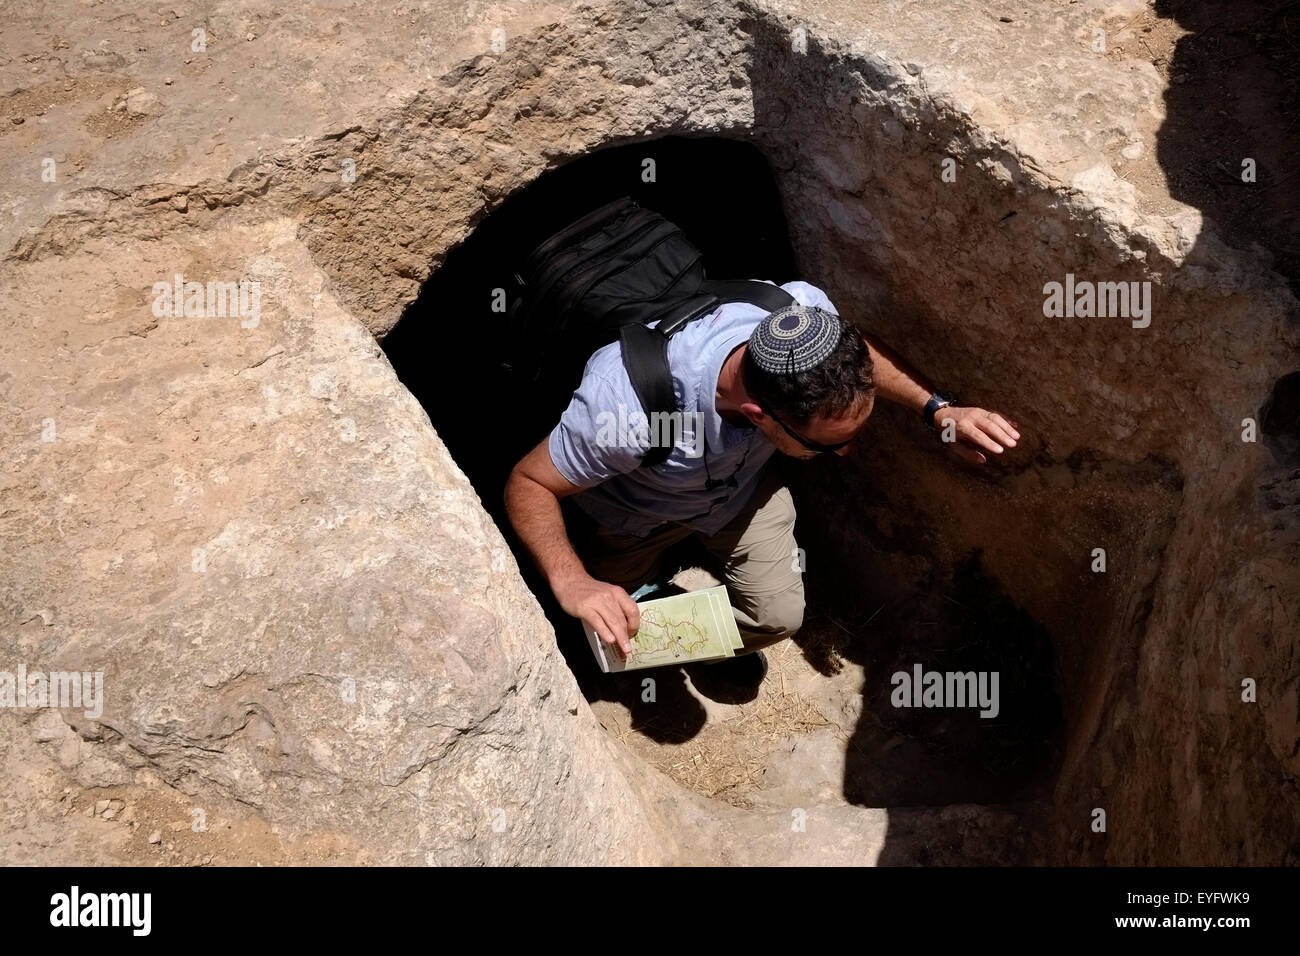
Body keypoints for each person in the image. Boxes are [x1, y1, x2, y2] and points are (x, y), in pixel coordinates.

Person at [503, 281, 1020, 687]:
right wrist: (572, 581)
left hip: (738, 492)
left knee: (776, 617)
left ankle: (671, 632)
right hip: (635, 515)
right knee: (597, 618)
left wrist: (939, 410)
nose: (845, 453)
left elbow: (855, 349)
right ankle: (637, 613)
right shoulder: (626, 410)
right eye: (825, 446)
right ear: (758, 415)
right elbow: (529, 482)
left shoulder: (798, 313)